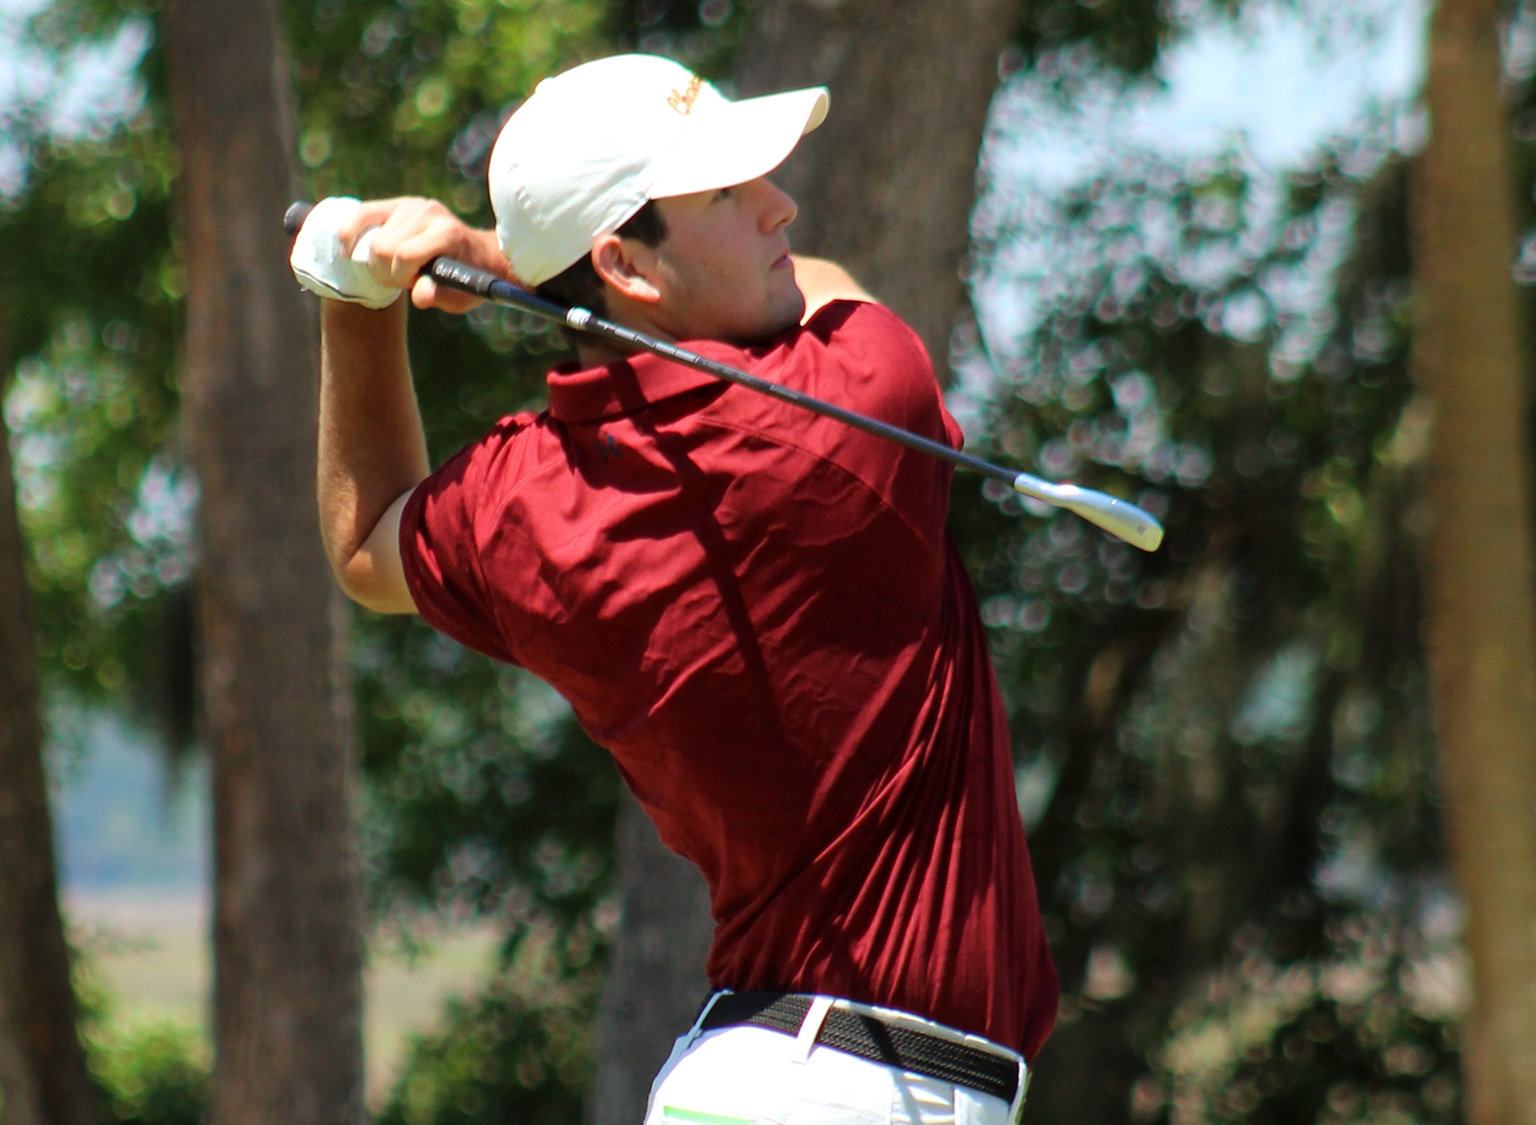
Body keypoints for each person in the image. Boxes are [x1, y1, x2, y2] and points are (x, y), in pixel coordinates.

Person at [307, 53, 1056, 1125]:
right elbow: (835, 293)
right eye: (725, 194)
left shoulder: (518, 502)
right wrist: (499, 264)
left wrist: (355, 298)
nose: (778, 206)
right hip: (863, 1092)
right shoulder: (849, 412)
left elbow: (367, 544)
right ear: (625, 263)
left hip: (749, 1079)